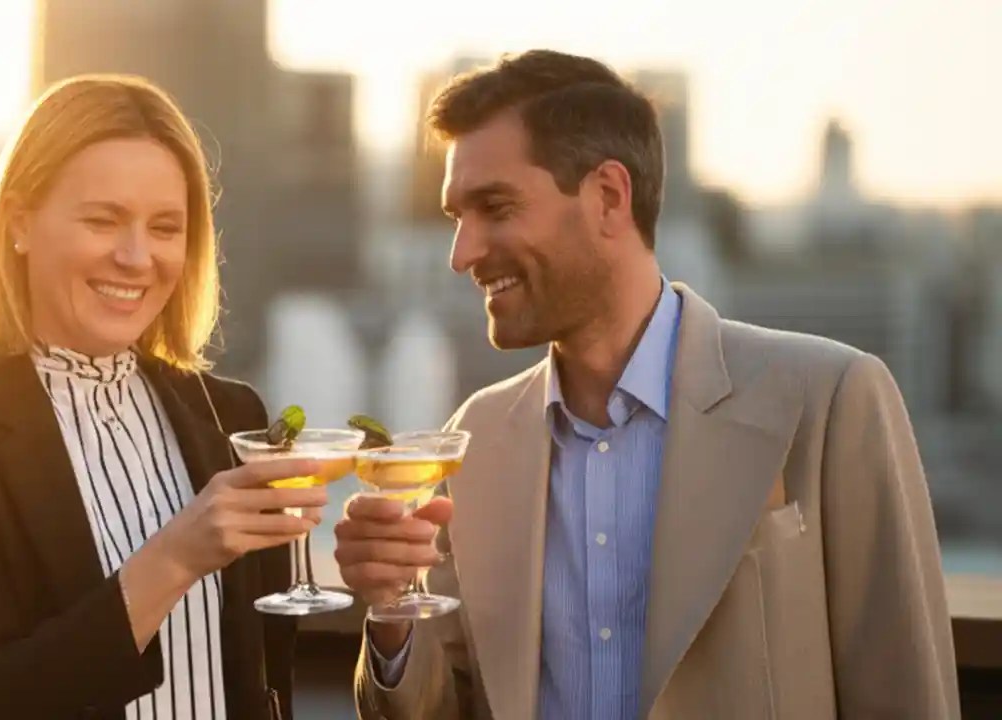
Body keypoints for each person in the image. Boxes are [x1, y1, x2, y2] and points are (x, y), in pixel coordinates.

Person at [335, 50, 959, 719]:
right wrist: (394, 608)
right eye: (457, 217)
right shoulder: (477, 435)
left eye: (496, 207)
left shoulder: (831, 397)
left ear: (608, 196)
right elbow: (447, 705)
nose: (462, 253)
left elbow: (907, 693)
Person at [0, 74, 321, 720]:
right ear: (20, 222)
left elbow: (269, 679)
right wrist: (174, 558)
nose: (137, 257)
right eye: (103, 220)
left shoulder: (233, 415)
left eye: (166, 227)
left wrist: (389, 606)